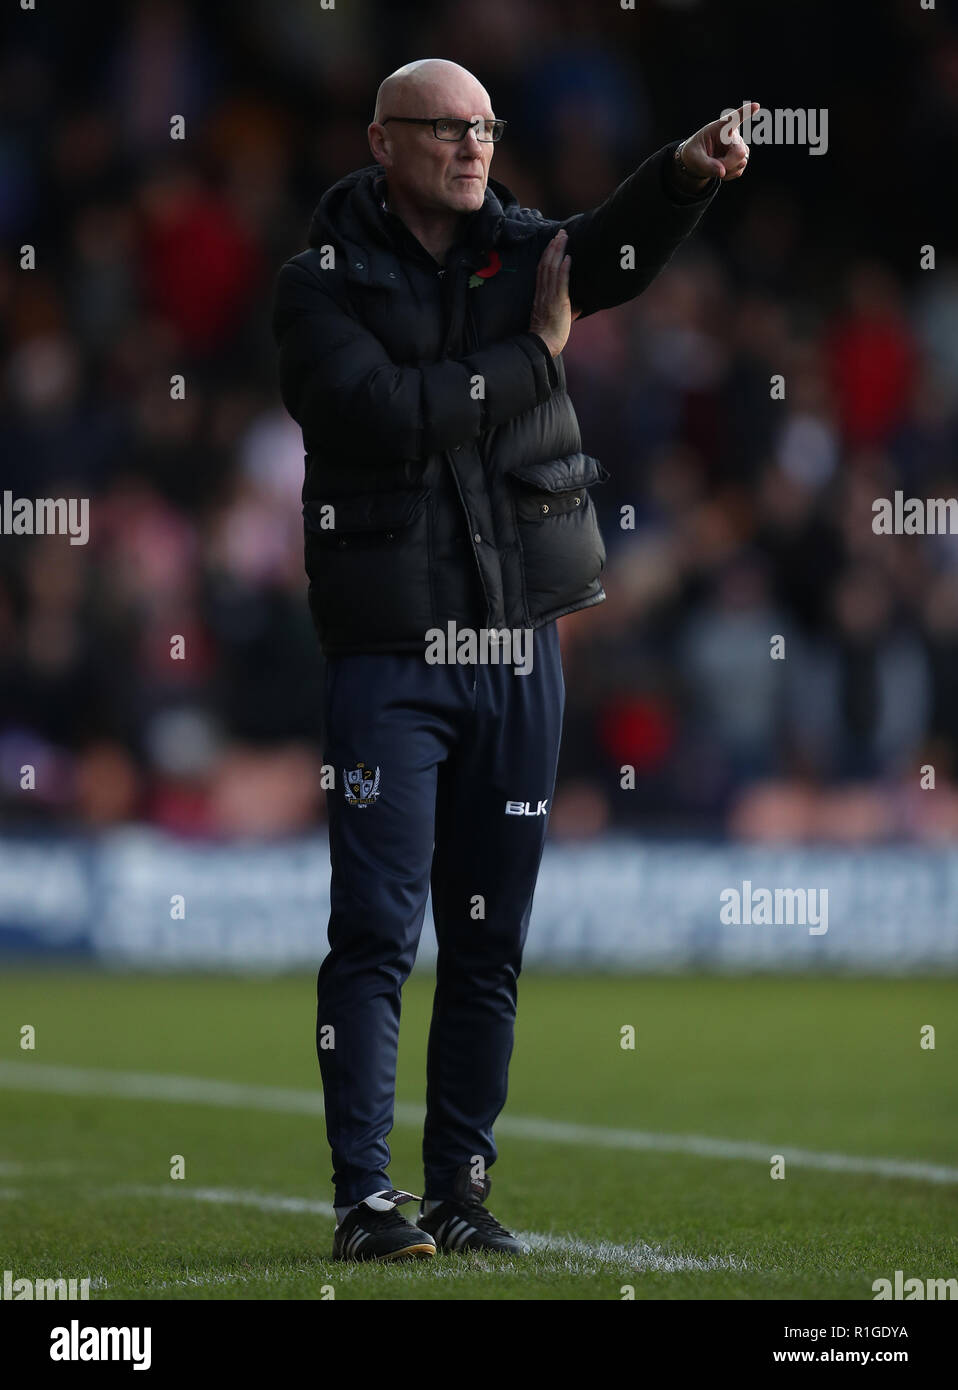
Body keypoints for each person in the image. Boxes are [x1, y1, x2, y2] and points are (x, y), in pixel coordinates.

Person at [272, 59, 751, 1262]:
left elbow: (616, 255)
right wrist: (534, 359)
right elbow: (380, 413)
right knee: (377, 930)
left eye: (485, 126)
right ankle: (364, 1200)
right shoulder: (317, 285)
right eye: (448, 129)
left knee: (487, 940)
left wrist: (681, 178)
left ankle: (460, 1191)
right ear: (385, 142)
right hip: (392, 656)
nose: (475, 146)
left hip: (517, 645)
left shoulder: (521, 247)